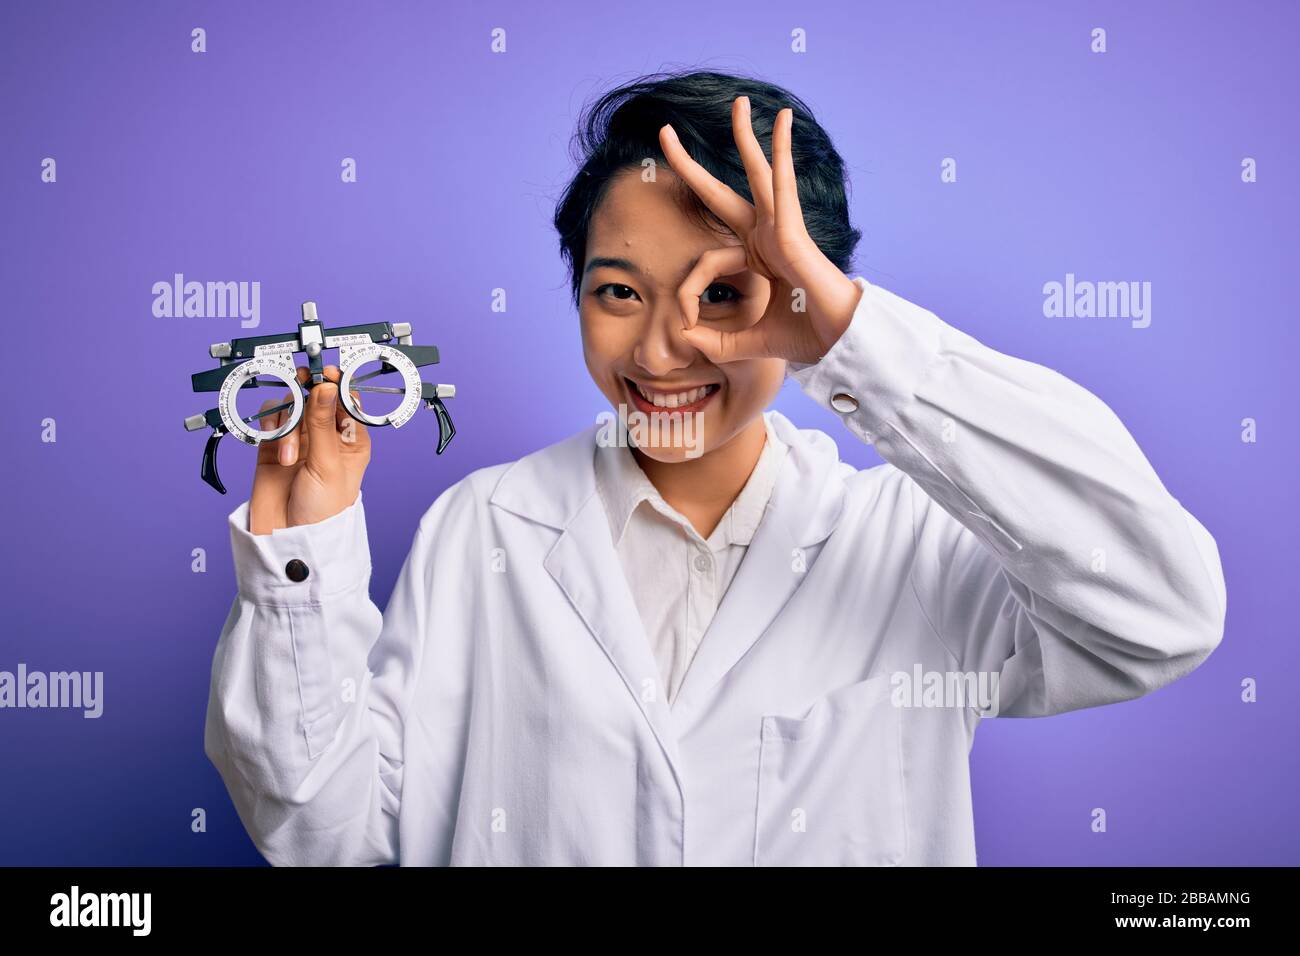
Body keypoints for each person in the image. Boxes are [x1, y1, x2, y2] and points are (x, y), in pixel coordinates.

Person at [203, 70, 1226, 866]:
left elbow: (1159, 609)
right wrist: (305, 557)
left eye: (726, 296)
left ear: (806, 295)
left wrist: (853, 343)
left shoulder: (909, 544)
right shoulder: (484, 529)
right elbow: (324, 833)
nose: (659, 351)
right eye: (617, 291)